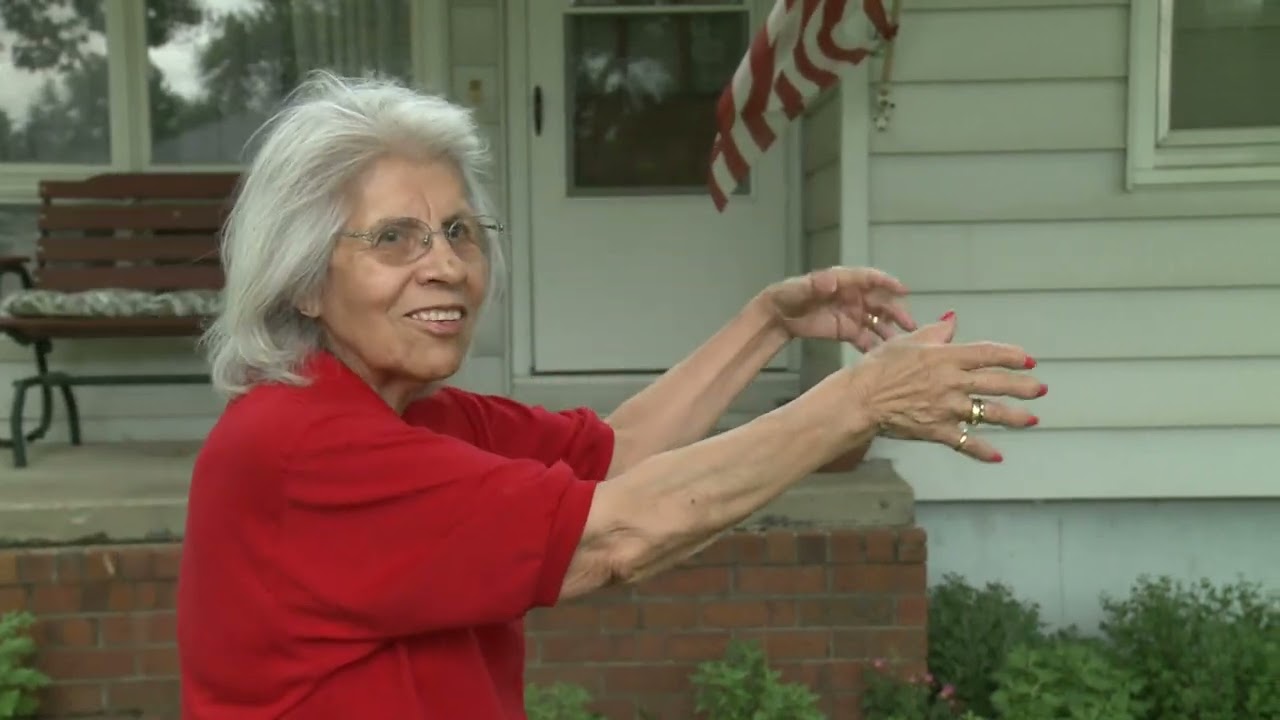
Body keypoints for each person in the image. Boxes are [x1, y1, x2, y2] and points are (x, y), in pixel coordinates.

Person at [175, 72, 1045, 719]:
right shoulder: (300, 445)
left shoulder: (421, 417)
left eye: (459, 232)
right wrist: (855, 404)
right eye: (395, 238)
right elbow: (619, 534)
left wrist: (767, 324)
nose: (445, 265)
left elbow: (619, 455)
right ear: (304, 280)